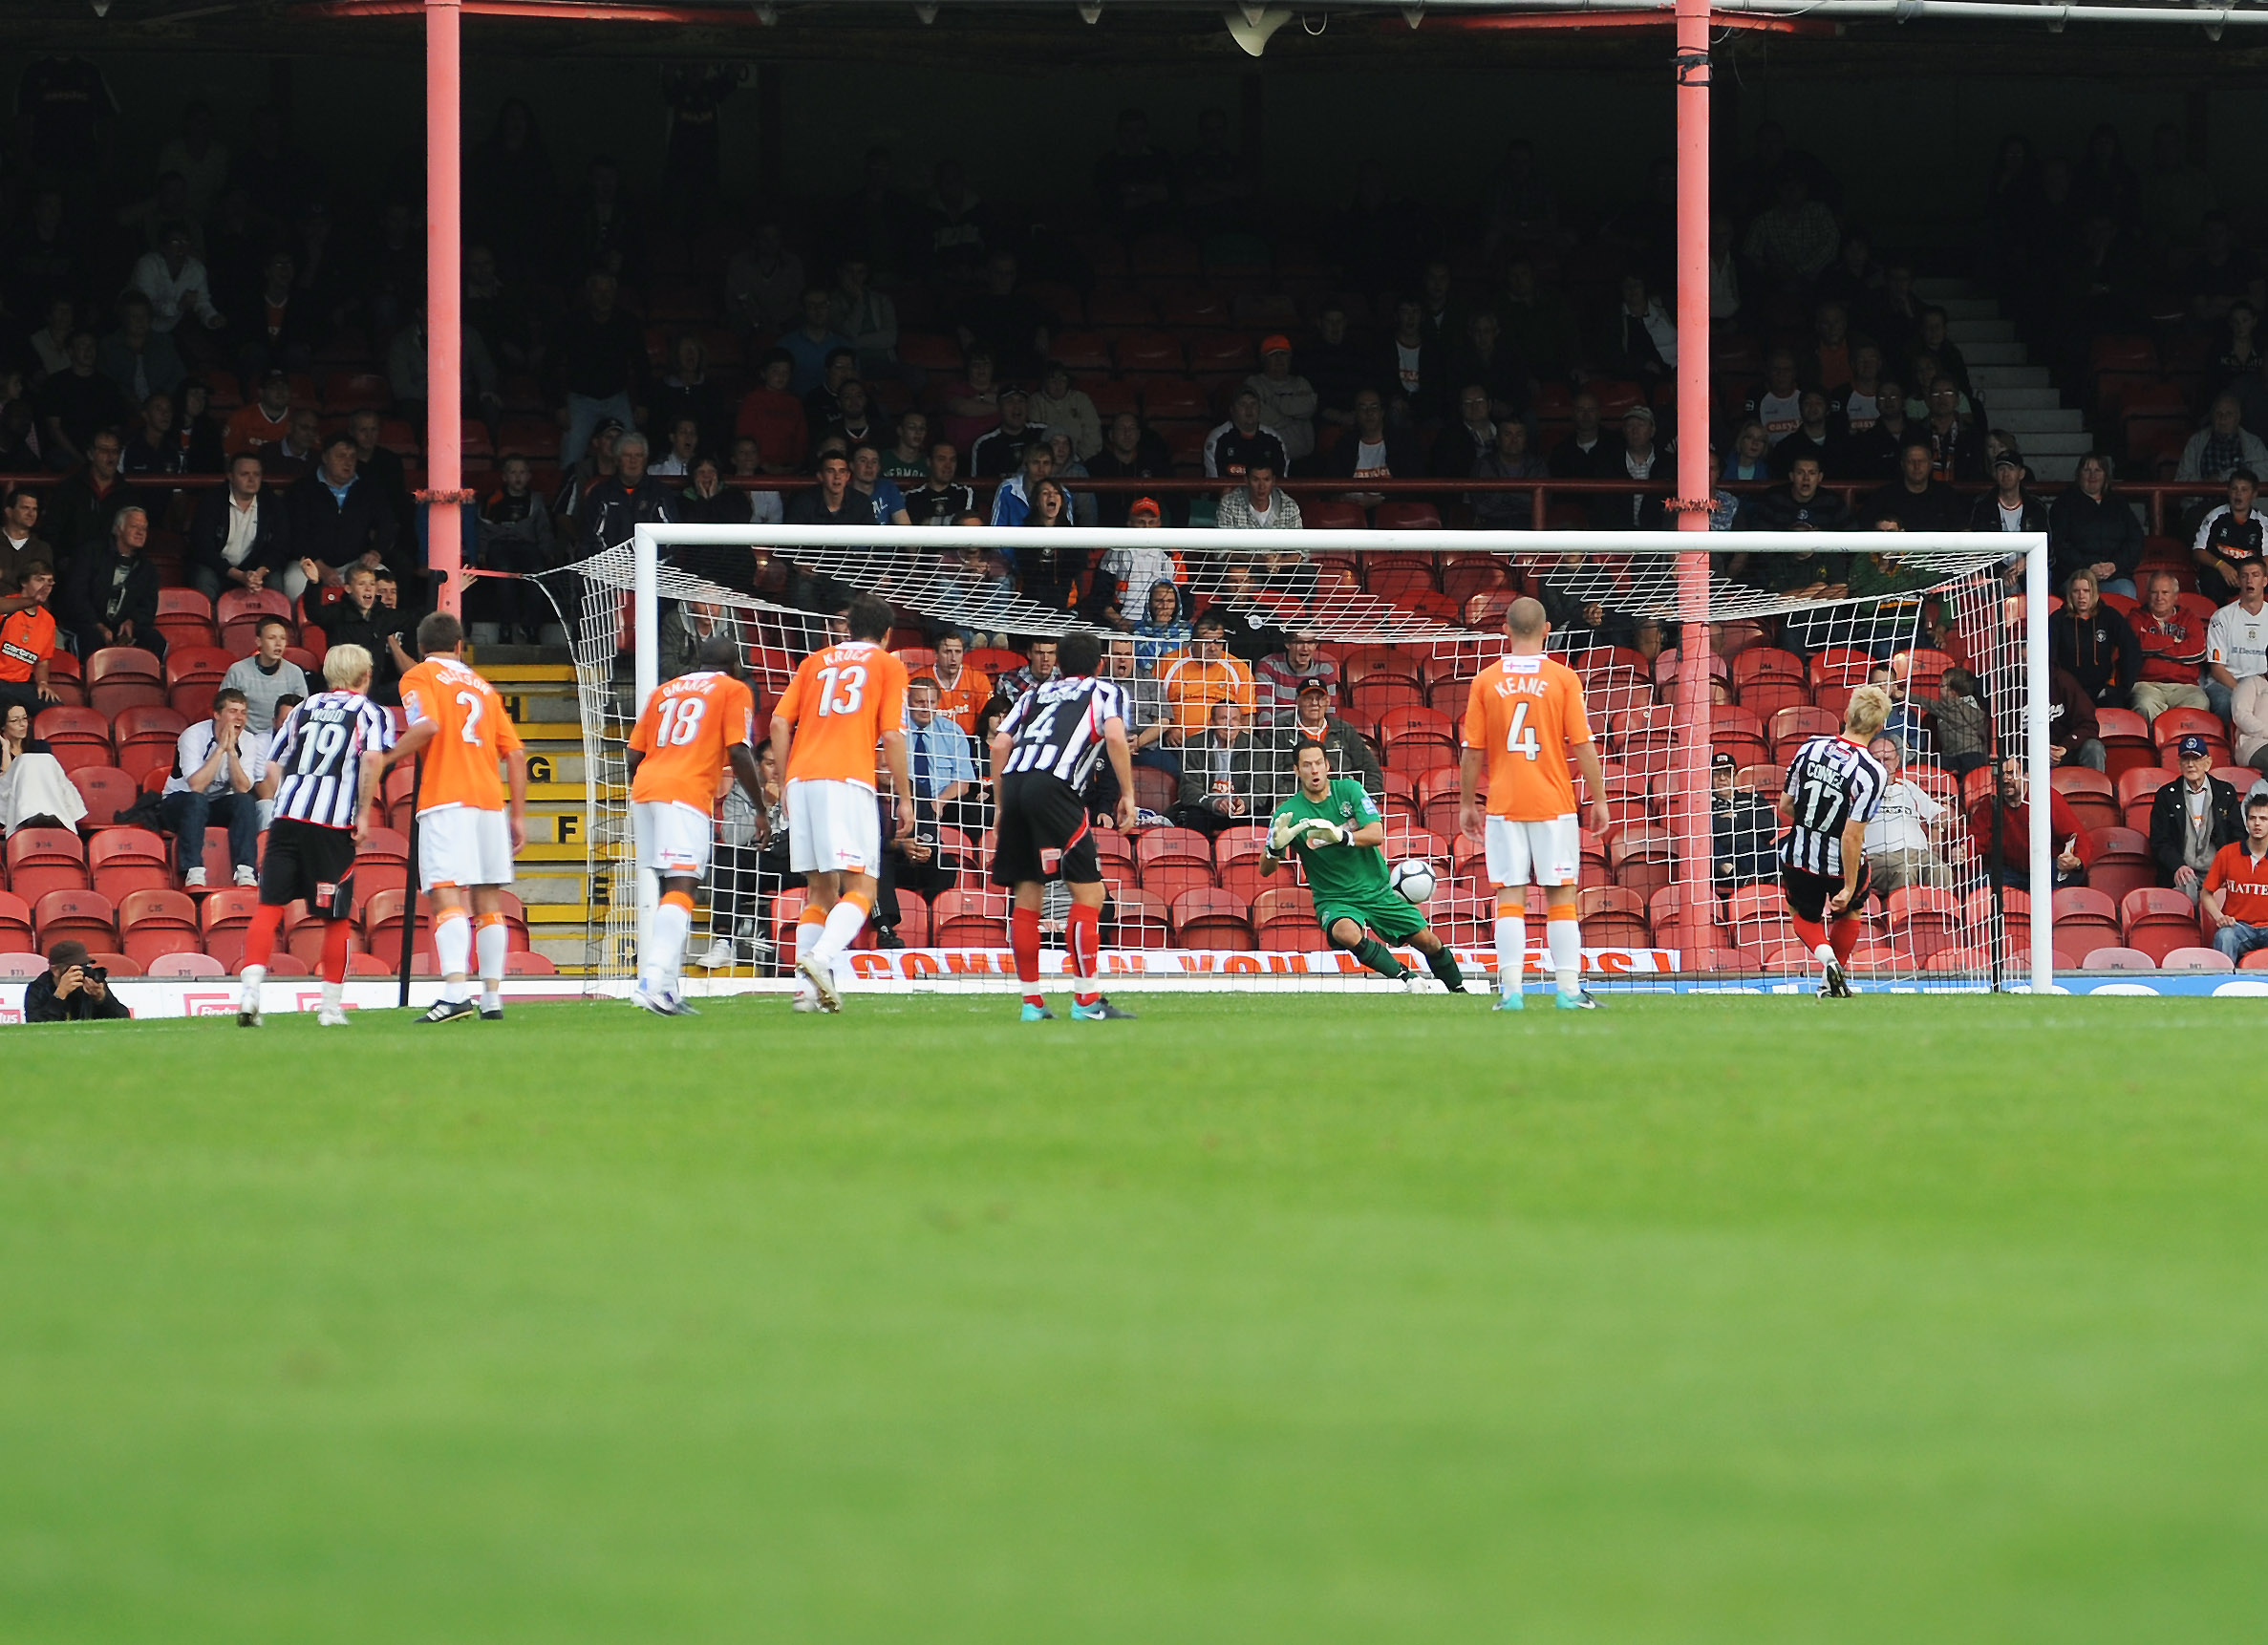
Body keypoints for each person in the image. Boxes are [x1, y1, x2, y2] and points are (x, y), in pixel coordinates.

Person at [1458, 596, 1611, 1011]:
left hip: (1504, 804)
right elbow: (1582, 744)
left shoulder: (1485, 681)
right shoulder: (1563, 678)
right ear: (1546, 631)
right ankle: (1567, 991)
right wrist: (1598, 799)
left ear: (1504, 630)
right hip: (1553, 803)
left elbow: (1472, 750)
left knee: (1510, 896)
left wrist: (1467, 802)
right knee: (1561, 895)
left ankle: (1511, 994)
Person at [767, 594, 913, 1014]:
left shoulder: (814, 661)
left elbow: (778, 721)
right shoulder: (888, 665)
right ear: (886, 635)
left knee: (820, 890)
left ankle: (805, 992)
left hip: (802, 780)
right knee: (863, 886)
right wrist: (904, 797)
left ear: (847, 630)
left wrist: (785, 778)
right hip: (847, 780)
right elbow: (893, 735)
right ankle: (821, 959)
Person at [237, 645, 395, 1029]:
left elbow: (273, 766)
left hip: (288, 817)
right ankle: (329, 1008)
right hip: (331, 826)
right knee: (335, 917)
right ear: (366, 676)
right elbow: (372, 759)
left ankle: (250, 993)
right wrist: (362, 813)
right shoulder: (371, 712)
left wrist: (284, 802)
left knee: (269, 905)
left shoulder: (302, 709)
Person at [386, 612, 529, 1022]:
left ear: (421, 648)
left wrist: (388, 758)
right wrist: (518, 816)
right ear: (460, 646)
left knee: (447, 894)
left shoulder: (418, 677)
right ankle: (492, 998)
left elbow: (427, 725)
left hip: (446, 798)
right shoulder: (483, 687)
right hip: (488, 802)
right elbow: (516, 754)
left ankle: (454, 994)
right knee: (488, 899)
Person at [987, 629, 1137, 1022]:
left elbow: (1000, 744)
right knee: (1090, 895)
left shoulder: (1033, 693)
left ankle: (1031, 1004)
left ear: (1058, 664)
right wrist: (1129, 796)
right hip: (1054, 787)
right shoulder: (1105, 691)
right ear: (1099, 664)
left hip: (1016, 783)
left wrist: (1001, 805)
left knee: (1027, 895)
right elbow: (1117, 737)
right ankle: (1086, 1001)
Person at [622, 633, 763, 1015]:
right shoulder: (733, 689)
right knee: (684, 885)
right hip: (683, 794)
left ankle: (666, 989)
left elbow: (633, 753)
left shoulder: (665, 690)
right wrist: (761, 806)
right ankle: (650, 982)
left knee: (670, 886)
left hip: (647, 790)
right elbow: (738, 750)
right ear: (735, 667)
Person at [1265, 740, 1467, 994]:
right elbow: (1265, 869)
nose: (1314, 770)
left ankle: (1459, 991)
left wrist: (1341, 837)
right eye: (1307, 765)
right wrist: (1273, 848)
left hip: (1377, 891)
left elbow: (1376, 834)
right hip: (1334, 898)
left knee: (1429, 942)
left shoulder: (1349, 790)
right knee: (1346, 933)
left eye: (1318, 763)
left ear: (1327, 766)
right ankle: (1407, 977)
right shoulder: (1288, 813)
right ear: (1297, 771)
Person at [1773, 685, 1893, 1000]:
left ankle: (1827, 964)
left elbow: (1785, 806)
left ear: (1845, 715)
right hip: (1840, 864)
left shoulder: (1809, 748)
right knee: (1850, 914)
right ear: (1879, 728)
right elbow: (1852, 836)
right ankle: (1834, 975)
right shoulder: (1873, 772)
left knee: (1801, 913)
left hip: (1801, 856)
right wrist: (1850, 886)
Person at [161, 686, 263, 887]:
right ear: (217, 714)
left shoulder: (249, 740)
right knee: (196, 800)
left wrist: (232, 751)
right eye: (233, 711)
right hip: (179, 802)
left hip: (215, 805)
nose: (240, 718)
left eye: (243, 712)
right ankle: (194, 871)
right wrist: (219, 750)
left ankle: (245, 870)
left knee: (245, 802)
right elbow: (196, 785)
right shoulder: (192, 735)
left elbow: (242, 788)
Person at [1966, 758, 2088, 894]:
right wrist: (1963, 852)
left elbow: (2078, 837)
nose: (2005, 779)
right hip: (2012, 870)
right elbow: (1976, 842)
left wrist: (2076, 861)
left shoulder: (2046, 798)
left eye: (2011, 773)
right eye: (2001, 774)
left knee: (2071, 874)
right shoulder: (1990, 804)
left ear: (2026, 775)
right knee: (1979, 882)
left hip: (2048, 867)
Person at [2149, 734, 2244, 902]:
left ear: (2208, 763)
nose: (2191, 764)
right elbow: (2159, 840)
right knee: (2184, 890)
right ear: (2179, 764)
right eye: (2185, 759)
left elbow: (2238, 835)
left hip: (2217, 870)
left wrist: (2229, 868)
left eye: (2196, 759)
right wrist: (2178, 865)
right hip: (2181, 871)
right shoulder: (2166, 795)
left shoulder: (2225, 793)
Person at [62, 506, 162, 661]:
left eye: (144, 528)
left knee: (154, 639)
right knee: (90, 638)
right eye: (134, 526)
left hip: (122, 628)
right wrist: (98, 625)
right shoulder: (90, 553)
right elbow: (76, 596)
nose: (140, 532)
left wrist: (132, 621)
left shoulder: (147, 568)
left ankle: (143, 683)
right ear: (117, 529)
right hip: (88, 623)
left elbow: (148, 607)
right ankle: (89, 682)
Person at [188, 452, 287, 599]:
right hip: (217, 568)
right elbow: (203, 549)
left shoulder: (272, 503)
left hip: (256, 570)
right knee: (204, 578)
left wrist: (260, 573)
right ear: (230, 476)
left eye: (257, 474)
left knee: (275, 581)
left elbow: (280, 546)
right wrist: (238, 575)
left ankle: (273, 622)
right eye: (244, 474)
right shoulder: (211, 501)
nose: (252, 480)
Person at [2048, 452, 2144, 597]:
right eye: (2087, 470)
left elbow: (2135, 540)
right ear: (2079, 474)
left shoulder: (2118, 504)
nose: (2092, 475)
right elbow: (2059, 543)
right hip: (2076, 574)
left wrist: (2114, 565)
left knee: (2126, 593)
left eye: (2098, 470)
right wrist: (2089, 566)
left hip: (2114, 575)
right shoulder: (2064, 503)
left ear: (2105, 475)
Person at [1862, 736, 1950, 893]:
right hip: (1879, 857)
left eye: (1887, 759)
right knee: (1903, 870)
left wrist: (1937, 830)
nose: (1883, 764)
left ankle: (1943, 917)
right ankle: (1903, 917)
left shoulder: (1908, 787)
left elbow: (1942, 814)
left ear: (1897, 761)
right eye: (1877, 760)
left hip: (1919, 854)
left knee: (1941, 870)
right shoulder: (1860, 788)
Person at [1172, 700, 1266, 838]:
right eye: (1223, 718)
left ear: (1240, 723)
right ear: (1212, 722)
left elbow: (1260, 789)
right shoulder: (1194, 745)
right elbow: (1189, 790)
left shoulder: (1255, 746)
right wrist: (1215, 803)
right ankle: (1199, 857)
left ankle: (1254, 858)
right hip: (1207, 808)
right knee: (1194, 815)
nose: (1230, 724)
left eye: (1234, 719)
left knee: (1260, 816)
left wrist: (1244, 802)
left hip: (1239, 811)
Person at [2049, 569, 2142, 711]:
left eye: (2086, 591)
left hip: (2102, 693)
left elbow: (2131, 649)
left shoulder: (2109, 616)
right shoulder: (2058, 619)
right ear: (2070, 594)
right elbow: (2048, 656)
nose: (2081, 596)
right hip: (2067, 693)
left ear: (2095, 592)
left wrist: (2121, 688)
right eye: (2076, 591)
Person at [2129, 569, 2214, 724]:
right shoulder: (2136, 616)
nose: (2159, 597)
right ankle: (2152, 746)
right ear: (2147, 594)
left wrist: (2153, 648)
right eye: (2154, 592)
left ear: (2175, 596)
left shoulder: (2189, 619)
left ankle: (2181, 747)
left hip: (2185, 687)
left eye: (2165, 592)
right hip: (2147, 685)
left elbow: (2197, 652)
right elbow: (2135, 645)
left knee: (2199, 704)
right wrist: (2172, 641)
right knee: (2145, 705)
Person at [1159, 612, 1254, 741]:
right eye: (1206, 642)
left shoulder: (1238, 668)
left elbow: (1247, 716)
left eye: (1218, 642)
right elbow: (1153, 706)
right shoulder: (1169, 662)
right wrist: (1168, 731)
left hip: (1222, 743)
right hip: (1177, 742)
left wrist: (1238, 744)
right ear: (1193, 641)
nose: (1213, 648)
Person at [1274, 677, 1380, 792]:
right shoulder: (1281, 730)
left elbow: (1370, 769)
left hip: (1340, 796)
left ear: (1328, 701)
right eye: (1308, 698)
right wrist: (1282, 799)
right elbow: (1272, 774)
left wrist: (1369, 799)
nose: (1315, 703)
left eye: (1320, 698)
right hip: (1298, 797)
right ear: (1298, 701)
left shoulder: (1344, 729)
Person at [0, 697, 84, 834]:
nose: (23, 725)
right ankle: (29, 816)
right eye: (15, 721)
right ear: (3, 725)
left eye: (25, 719)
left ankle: (46, 815)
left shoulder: (40, 746)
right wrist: (5, 749)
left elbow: (48, 775)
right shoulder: (2, 750)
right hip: (6, 798)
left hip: (41, 795)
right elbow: (5, 782)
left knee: (45, 761)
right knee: (25, 762)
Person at [2200, 793, 2268, 963]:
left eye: (2263, 819)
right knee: (2225, 936)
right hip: (2239, 927)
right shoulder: (2228, 853)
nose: (2257, 823)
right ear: (2246, 822)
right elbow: (2206, 893)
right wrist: (2219, 917)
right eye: (2252, 818)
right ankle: (2224, 986)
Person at [222, 617, 310, 736]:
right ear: (259, 641)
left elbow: (303, 711)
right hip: (245, 736)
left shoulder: (295, 672)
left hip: (282, 736)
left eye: (283, 638)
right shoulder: (238, 671)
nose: (278, 643)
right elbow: (224, 708)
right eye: (271, 638)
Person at [2207, 558, 2268, 722]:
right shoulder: (2221, 617)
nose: (2249, 580)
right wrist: (2242, 691)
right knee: (2225, 703)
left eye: (2255, 575)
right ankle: (2228, 747)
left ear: (2265, 581)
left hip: (2261, 683)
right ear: (2239, 581)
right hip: (2226, 683)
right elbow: (2217, 668)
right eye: (2244, 576)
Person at [1709, 753, 1778, 896]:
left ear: (1735, 777)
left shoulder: (1752, 798)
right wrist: (1749, 820)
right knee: (1707, 843)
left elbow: (1770, 827)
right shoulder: (1705, 804)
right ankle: (1744, 879)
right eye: (1717, 773)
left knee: (1797, 839)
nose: (1722, 778)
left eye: (1727, 773)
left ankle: (1768, 877)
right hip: (1731, 862)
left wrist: (1734, 818)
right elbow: (1712, 827)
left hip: (1759, 855)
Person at [0, 562, 60, 724]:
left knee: (56, 710)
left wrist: (42, 683)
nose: (45, 586)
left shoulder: (48, 621)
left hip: (21, 685)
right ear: (24, 582)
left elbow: (42, 661)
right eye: (40, 580)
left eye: (50, 582)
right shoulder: (6, 608)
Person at [2192, 467, 2265, 598]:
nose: (2238, 494)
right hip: (2220, 575)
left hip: (2248, 578)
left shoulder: (2261, 522)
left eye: (2244, 490)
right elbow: (2198, 551)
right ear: (2228, 491)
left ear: (2254, 494)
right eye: (2234, 489)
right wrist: (2222, 566)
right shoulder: (2215, 516)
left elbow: (2267, 558)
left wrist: (2247, 576)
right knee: (2210, 577)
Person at [1245, 336, 1316, 466]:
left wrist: (1274, 402)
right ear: (1263, 359)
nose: (1279, 359)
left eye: (1283, 354)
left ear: (1290, 358)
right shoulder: (1254, 383)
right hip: (1267, 462)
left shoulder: (1301, 383)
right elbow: (1261, 417)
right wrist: (1293, 417)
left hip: (1304, 462)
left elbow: (1308, 409)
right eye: (1273, 355)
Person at [22, 939, 131, 1023]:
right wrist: (59, 995)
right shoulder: (38, 988)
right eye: (75, 968)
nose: (81, 972)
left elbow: (123, 1018)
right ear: (55, 970)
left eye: (84, 966)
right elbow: (34, 1025)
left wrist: (102, 998)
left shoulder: (90, 982)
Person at [2174, 393, 2268, 484]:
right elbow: (2181, 480)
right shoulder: (2195, 442)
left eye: (2229, 414)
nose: (2223, 418)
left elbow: (2263, 477)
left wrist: (2222, 478)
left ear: (2238, 417)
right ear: (2212, 416)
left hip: (2243, 499)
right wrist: (2206, 485)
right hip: (2204, 498)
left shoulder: (2255, 444)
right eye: (2218, 413)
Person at [1254, 631, 1339, 723]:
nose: (1305, 648)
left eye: (1310, 642)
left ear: (1316, 645)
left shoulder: (1325, 669)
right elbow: (1264, 710)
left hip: (1313, 730)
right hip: (1281, 731)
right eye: (1299, 642)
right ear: (1288, 644)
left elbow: (1329, 710)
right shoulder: (1269, 666)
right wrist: (1270, 736)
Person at [1215, 458, 1302, 531]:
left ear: (1273, 480)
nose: (1261, 486)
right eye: (1256, 480)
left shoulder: (1289, 506)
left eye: (1266, 480)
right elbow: (1223, 549)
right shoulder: (1229, 505)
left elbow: (1300, 548)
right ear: (1246, 480)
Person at [1131, 577, 1192, 674]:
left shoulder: (1186, 630)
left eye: (1170, 601)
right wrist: (1159, 628)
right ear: (1150, 603)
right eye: (1159, 600)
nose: (1165, 606)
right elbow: (1144, 664)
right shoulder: (1138, 630)